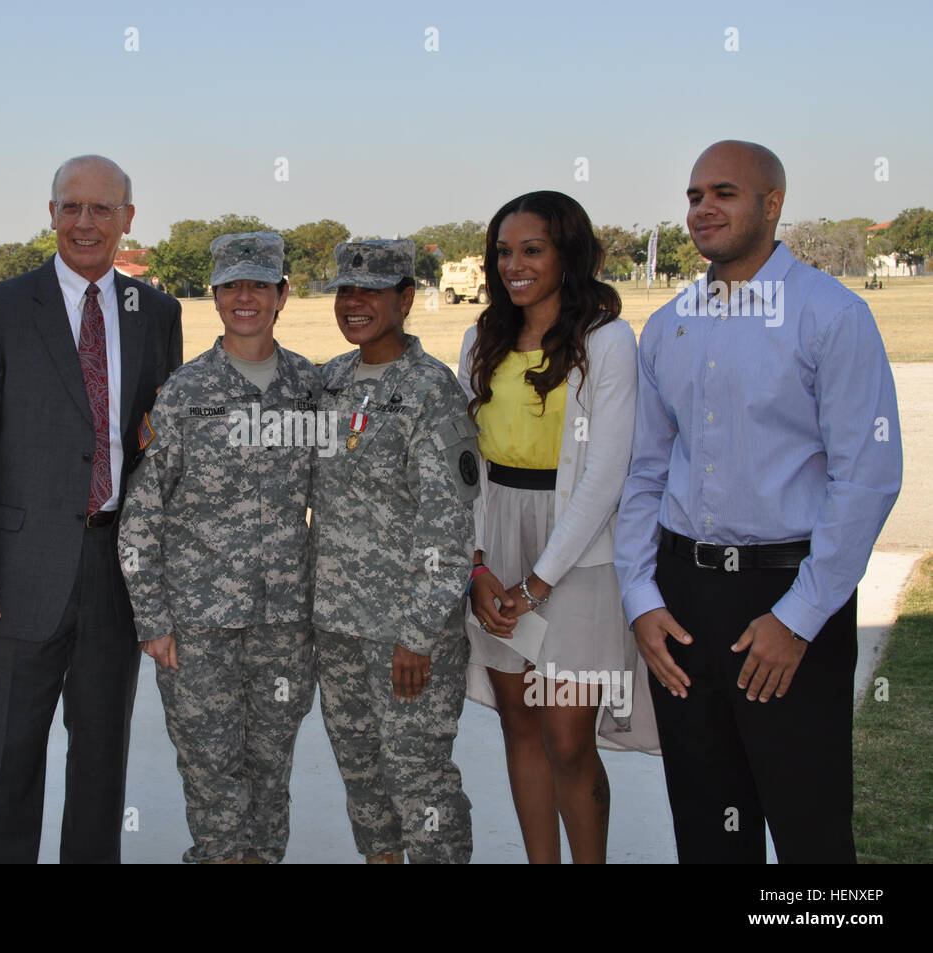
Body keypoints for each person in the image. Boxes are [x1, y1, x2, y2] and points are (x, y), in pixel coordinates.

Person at [615, 140, 902, 863]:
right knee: (708, 828)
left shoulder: (831, 316)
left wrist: (799, 618)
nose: (702, 209)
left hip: (788, 595)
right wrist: (641, 597)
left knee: (810, 828)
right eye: (692, 196)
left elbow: (866, 478)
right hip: (683, 599)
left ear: (772, 205)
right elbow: (645, 469)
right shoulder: (672, 322)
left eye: (724, 193)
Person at [0, 155, 182, 864]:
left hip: (116, 569)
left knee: (101, 763)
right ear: (51, 214)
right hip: (17, 573)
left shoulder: (157, 313)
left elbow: (160, 454)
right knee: (2, 761)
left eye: (102, 208)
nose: (85, 222)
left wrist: (160, 576)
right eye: (71, 207)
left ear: (127, 219)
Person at [458, 191, 652, 864]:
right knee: (520, 722)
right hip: (497, 536)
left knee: (569, 736)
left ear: (569, 253)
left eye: (531, 249)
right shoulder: (481, 336)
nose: (514, 264)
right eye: (504, 252)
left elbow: (605, 475)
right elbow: (467, 463)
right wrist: (478, 566)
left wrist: (536, 582)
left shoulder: (607, 340)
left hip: (577, 551)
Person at [119, 231, 320, 863]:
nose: (246, 297)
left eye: (260, 284)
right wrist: (152, 619)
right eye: (232, 285)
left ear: (282, 295)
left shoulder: (311, 391)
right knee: (210, 772)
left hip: (285, 622)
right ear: (213, 297)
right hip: (197, 625)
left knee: (270, 773)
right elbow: (141, 514)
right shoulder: (182, 394)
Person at [310, 239, 480, 864]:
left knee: (419, 781)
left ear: (406, 299)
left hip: (404, 634)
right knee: (362, 779)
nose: (354, 304)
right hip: (338, 625)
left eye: (372, 292)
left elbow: (448, 523)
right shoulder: (330, 383)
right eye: (345, 293)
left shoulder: (433, 392)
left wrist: (420, 633)